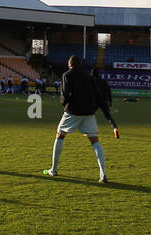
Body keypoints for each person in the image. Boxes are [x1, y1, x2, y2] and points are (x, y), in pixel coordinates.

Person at [44, 55, 110, 184]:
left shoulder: (67, 75)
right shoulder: (88, 77)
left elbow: (64, 95)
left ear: (69, 64)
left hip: (73, 111)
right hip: (89, 112)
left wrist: (65, 105)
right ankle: (103, 174)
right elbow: (96, 95)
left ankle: (53, 169)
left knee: (60, 135)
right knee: (95, 140)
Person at [90, 66, 120, 139]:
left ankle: (90, 131)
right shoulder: (103, 81)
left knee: (89, 115)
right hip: (104, 101)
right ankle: (115, 129)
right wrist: (110, 101)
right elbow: (109, 91)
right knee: (108, 117)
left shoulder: (91, 81)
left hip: (95, 101)